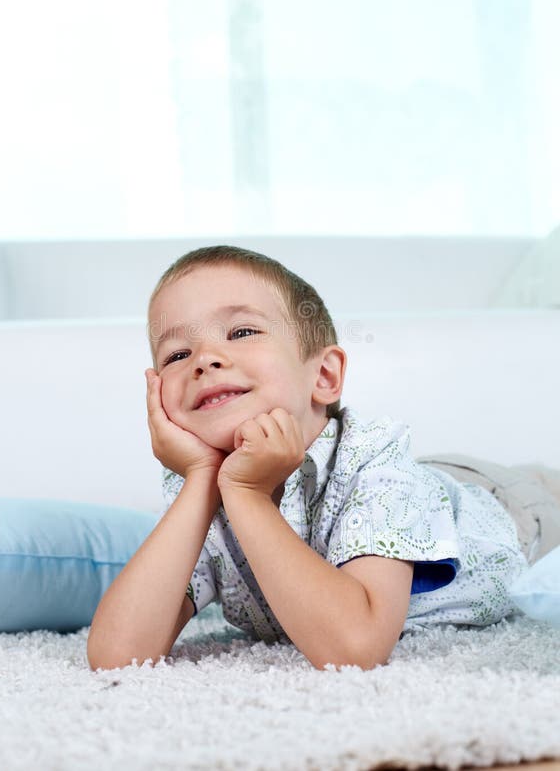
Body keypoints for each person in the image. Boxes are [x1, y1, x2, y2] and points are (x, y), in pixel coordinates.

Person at [87, 245, 559, 673]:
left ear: (325, 376)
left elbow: (356, 645)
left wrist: (248, 495)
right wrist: (201, 480)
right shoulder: (199, 491)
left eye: (241, 331)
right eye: (176, 354)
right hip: (422, 488)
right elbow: (116, 654)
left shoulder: (375, 461)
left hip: (511, 506)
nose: (204, 360)